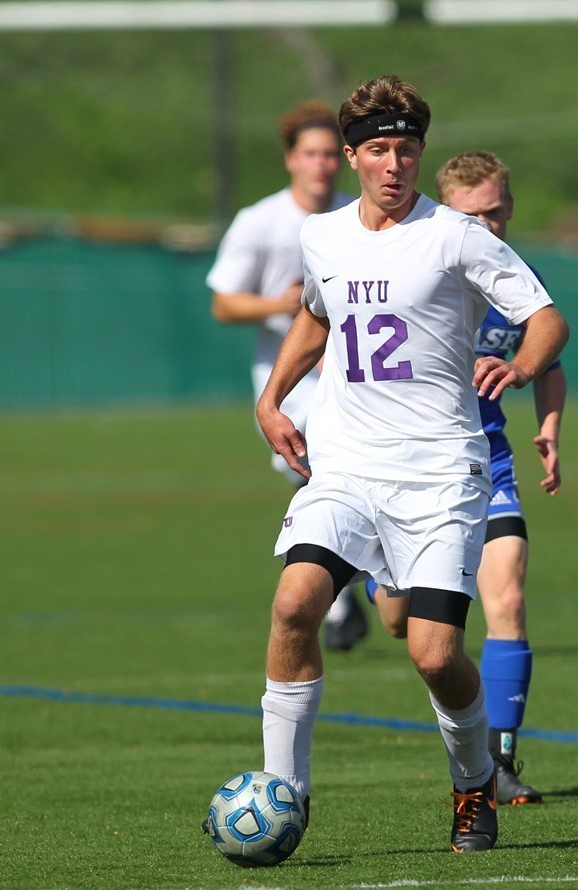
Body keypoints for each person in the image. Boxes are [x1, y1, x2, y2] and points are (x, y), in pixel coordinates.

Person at [253, 75, 570, 853]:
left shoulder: (457, 236)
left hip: (440, 474)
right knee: (294, 604)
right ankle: (283, 793)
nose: (394, 165)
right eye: (379, 151)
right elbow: (316, 315)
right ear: (352, 157)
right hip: (346, 466)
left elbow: (546, 318)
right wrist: (272, 396)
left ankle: (474, 781)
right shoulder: (323, 236)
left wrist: (523, 366)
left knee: (434, 653)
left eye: (406, 149)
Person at [366, 151, 565, 806]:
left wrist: (549, 426)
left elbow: (549, 356)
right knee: (401, 620)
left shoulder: (517, 278)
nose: (488, 227)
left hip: (486, 462)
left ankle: (499, 760)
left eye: (497, 212)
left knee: (507, 596)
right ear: (445, 213)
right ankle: (380, 583)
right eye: (473, 217)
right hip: (406, 467)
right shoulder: (413, 272)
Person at [206, 100, 368, 652]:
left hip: (355, 369)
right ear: (291, 160)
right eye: (311, 154)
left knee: (350, 466)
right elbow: (224, 302)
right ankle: (343, 595)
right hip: (288, 375)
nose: (322, 165)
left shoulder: (357, 214)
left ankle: (350, 591)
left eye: (330, 154)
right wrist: (286, 306)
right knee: (313, 465)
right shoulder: (261, 221)